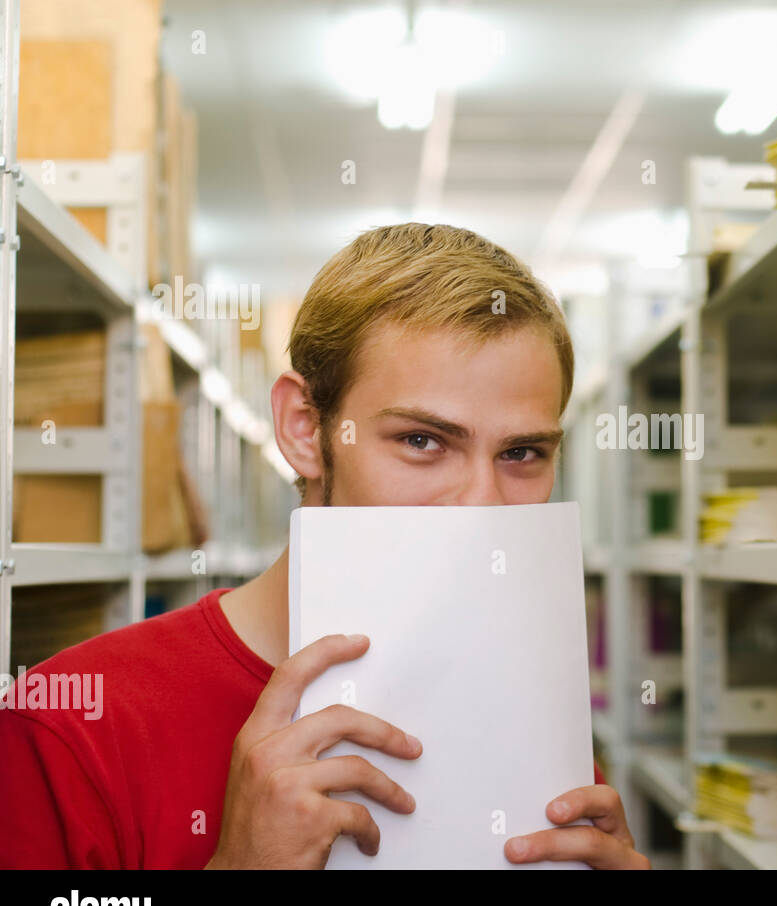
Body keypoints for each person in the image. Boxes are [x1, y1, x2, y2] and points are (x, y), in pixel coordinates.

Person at [0, 223, 649, 870]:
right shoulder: (72, 725)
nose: (481, 502)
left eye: (522, 453)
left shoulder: (535, 705)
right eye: (422, 441)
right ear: (305, 430)